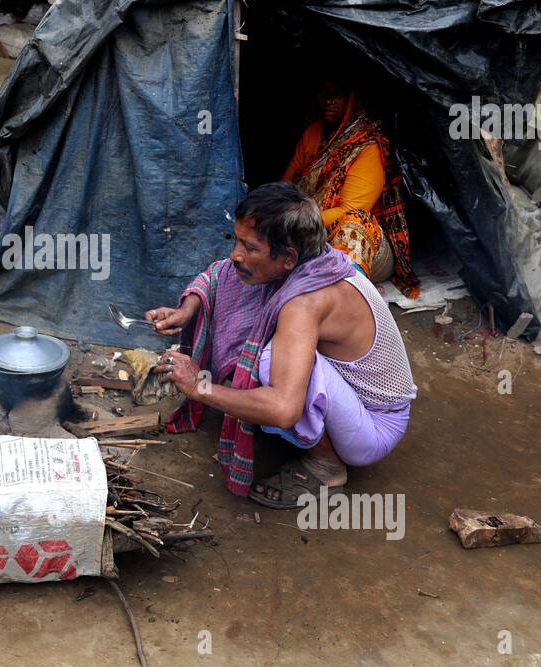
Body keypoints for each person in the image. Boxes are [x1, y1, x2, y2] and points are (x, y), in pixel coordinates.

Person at [146, 183, 416, 508]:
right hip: (351, 404)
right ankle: (304, 430)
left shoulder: (306, 303)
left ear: (288, 257)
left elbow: (283, 409)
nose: (235, 254)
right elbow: (222, 274)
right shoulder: (314, 261)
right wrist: (189, 308)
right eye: (236, 241)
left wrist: (198, 387)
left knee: (269, 357)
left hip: (374, 427)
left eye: (249, 247)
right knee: (268, 350)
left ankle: (326, 465)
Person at [282, 80, 419, 297]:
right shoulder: (312, 133)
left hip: (366, 249)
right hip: (310, 235)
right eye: (325, 93)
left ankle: (345, 300)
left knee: (353, 224)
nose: (329, 101)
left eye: (338, 95)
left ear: (353, 99)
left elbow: (350, 209)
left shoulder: (367, 145)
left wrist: (295, 222)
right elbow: (285, 187)